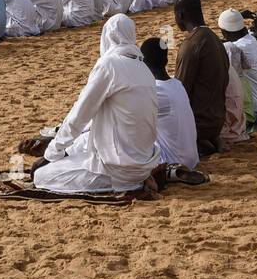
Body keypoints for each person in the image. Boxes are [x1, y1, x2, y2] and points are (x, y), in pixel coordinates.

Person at [27, 15, 159, 194]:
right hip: (142, 166)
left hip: (116, 170)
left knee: (42, 176)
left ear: (108, 36)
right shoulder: (145, 69)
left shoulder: (109, 65)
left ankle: (116, 184)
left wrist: (51, 154)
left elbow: (79, 115)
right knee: (78, 149)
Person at [173, 0, 228, 156]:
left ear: (181, 15)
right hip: (217, 119)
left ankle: (199, 141)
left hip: (201, 123)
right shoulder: (214, 38)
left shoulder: (192, 44)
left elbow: (180, 91)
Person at [141, 36, 199, 169]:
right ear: (166, 60)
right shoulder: (177, 84)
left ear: (143, 62)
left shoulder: (156, 90)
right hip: (191, 158)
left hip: (173, 161)